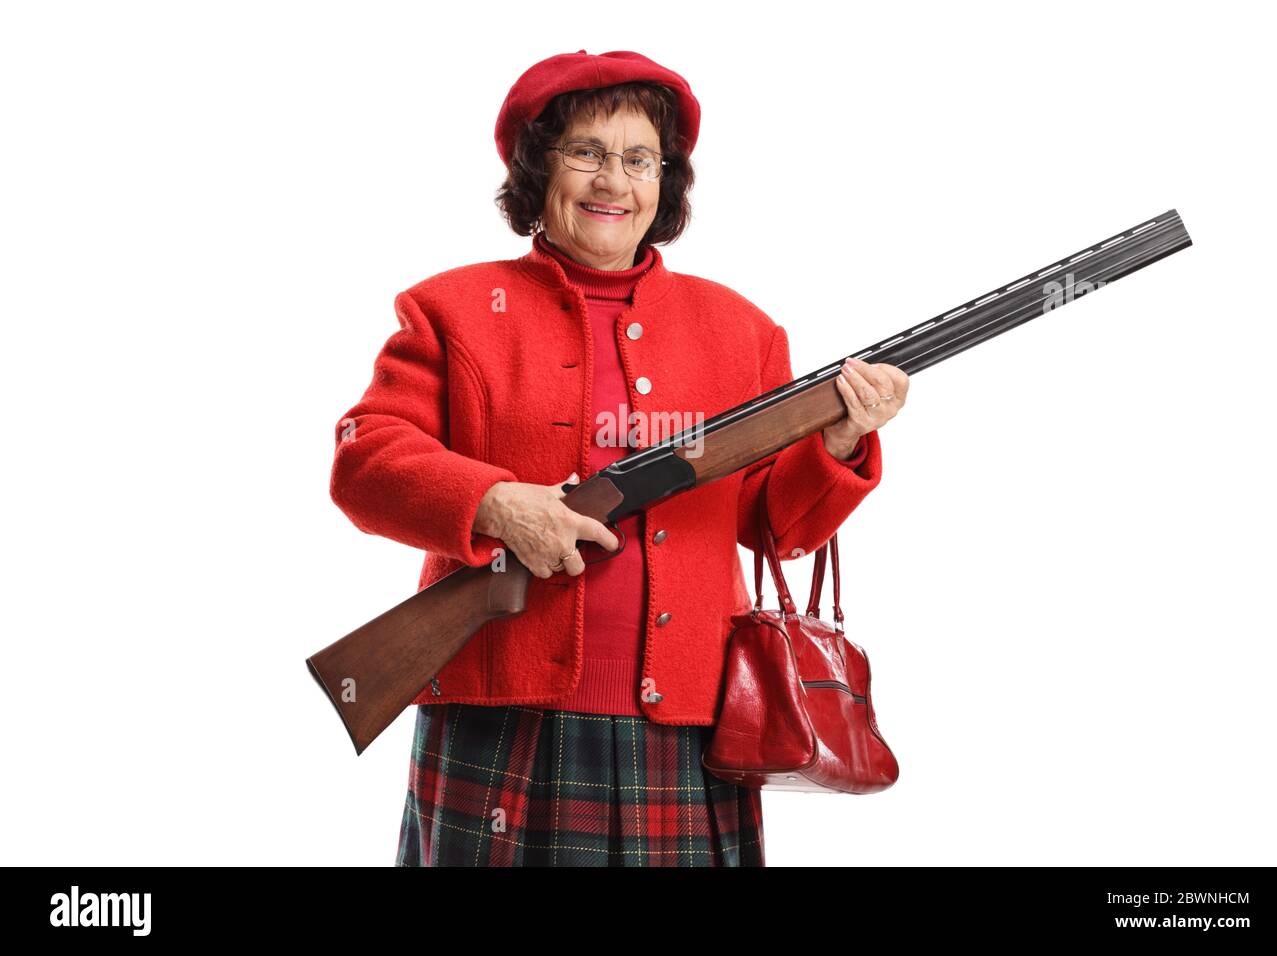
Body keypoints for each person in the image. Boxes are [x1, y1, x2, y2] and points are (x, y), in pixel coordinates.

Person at [328, 49, 908, 867]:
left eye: (640, 159)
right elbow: (366, 460)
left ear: (665, 181)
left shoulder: (744, 331)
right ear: (538, 169)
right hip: (501, 724)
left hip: (691, 728)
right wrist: (498, 505)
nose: (614, 181)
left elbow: (779, 526)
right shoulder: (449, 310)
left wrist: (841, 439)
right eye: (586, 154)